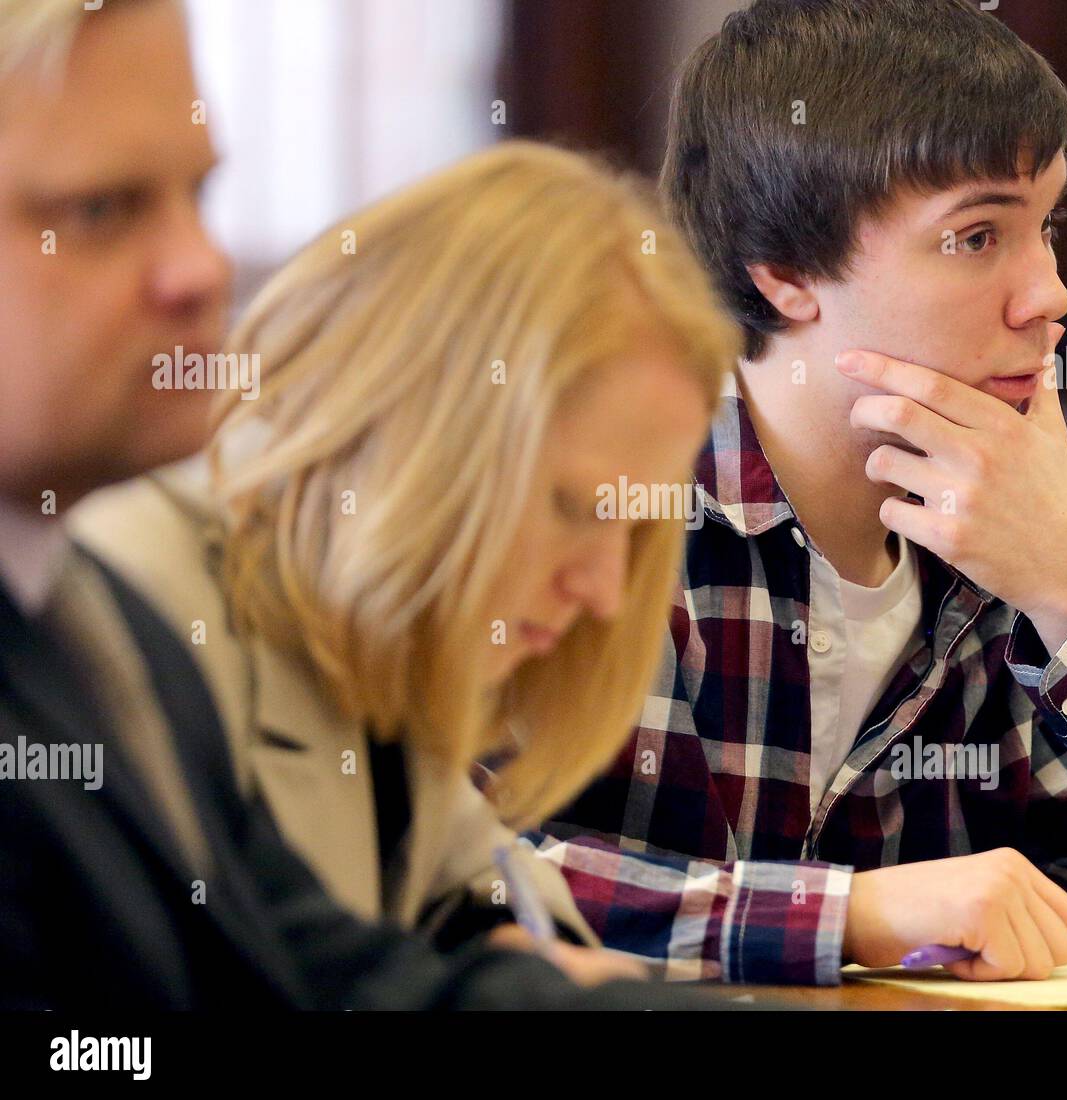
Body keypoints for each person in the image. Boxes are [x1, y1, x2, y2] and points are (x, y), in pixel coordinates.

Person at [527, 0, 1067, 986]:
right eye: (976, 236)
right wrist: (845, 914)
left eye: (1046, 223)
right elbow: (439, 878)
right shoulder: (605, 509)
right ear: (784, 273)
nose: (1048, 293)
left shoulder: (998, 543)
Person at [0, 0, 731, 1009]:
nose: (202, 268)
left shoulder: (90, 618)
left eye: (197, 195)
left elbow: (354, 971)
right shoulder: (138, 600)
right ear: (420, 431)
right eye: (100, 209)